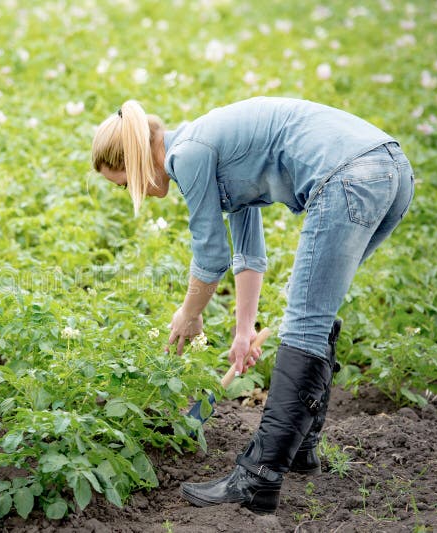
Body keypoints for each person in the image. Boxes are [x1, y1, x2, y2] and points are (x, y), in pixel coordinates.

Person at [90, 97, 414, 514]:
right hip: (390, 170)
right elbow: (247, 253)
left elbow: (210, 257)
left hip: (351, 174)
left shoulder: (187, 154)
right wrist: (244, 331)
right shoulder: (209, 143)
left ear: (134, 162)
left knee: (305, 323)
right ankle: (300, 449)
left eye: (123, 184)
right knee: (313, 313)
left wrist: (188, 315)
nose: (133, 193)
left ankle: (258, 478)